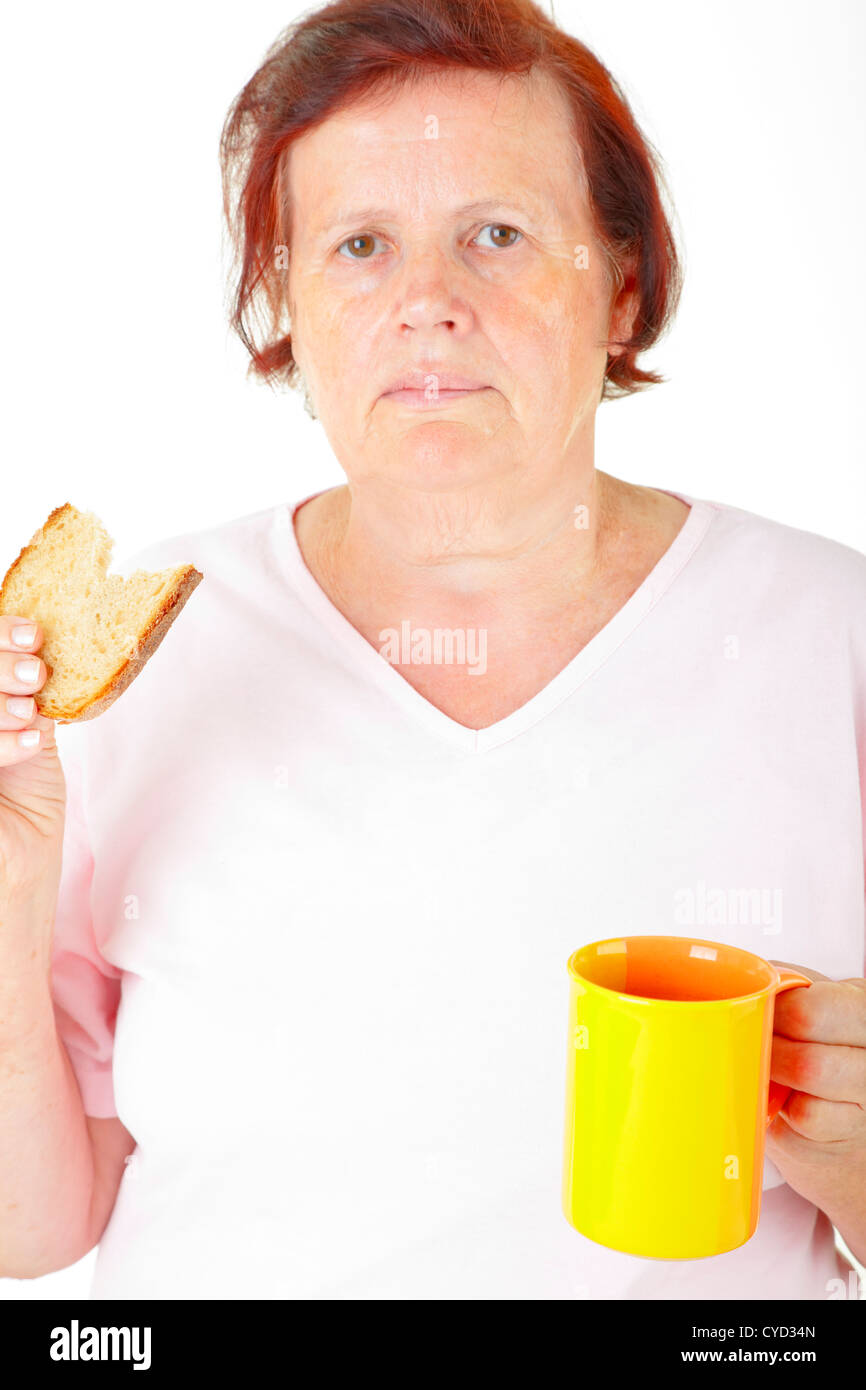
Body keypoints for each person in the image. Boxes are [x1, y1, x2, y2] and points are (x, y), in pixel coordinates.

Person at [1, 0, 864, 1300]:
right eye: (358, 246)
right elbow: (38, 1228)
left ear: (619, 287)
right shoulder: (125, 661)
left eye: (496, 236)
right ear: (287, 300)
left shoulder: (828, 640)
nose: (425, 305)